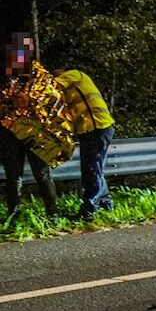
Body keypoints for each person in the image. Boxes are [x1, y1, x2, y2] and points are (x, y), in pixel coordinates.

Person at [1, 33, 74, 220]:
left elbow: (51, 99)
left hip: (36, 133)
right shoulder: (6, 77)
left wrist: (27, 100)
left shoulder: (40, 76)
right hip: (11, 132)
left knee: (41, 174)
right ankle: (13, 215)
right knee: (13, 176)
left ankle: (52, 213)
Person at [51, 61, 115, 218]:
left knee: (91, 169)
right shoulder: (69, 93)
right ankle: (106, 203)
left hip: (97, 127)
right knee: (93, 167)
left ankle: (89, 209)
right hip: (90, 130)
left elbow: (51, 86)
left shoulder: (74, 74)